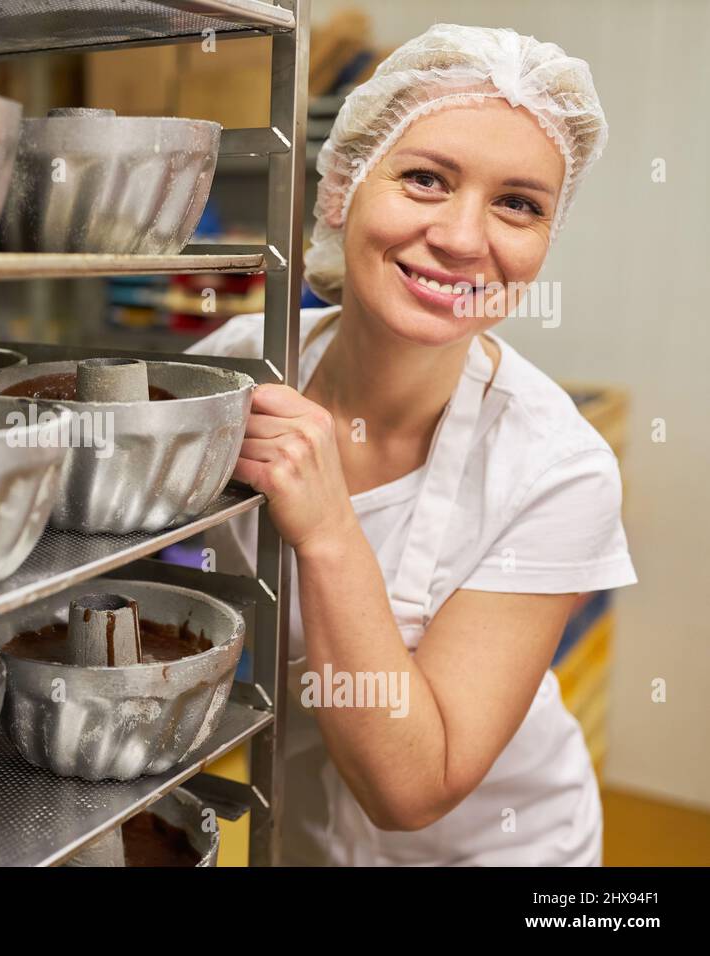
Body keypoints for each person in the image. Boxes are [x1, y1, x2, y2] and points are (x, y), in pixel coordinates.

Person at [188, 23, 636, 865]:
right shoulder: (236, 367)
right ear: (344, 188)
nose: (465, 240)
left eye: (518, 204)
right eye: (426, 179)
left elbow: (414, 788)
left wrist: (327, 532)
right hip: (300, 836)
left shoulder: (558, 470)